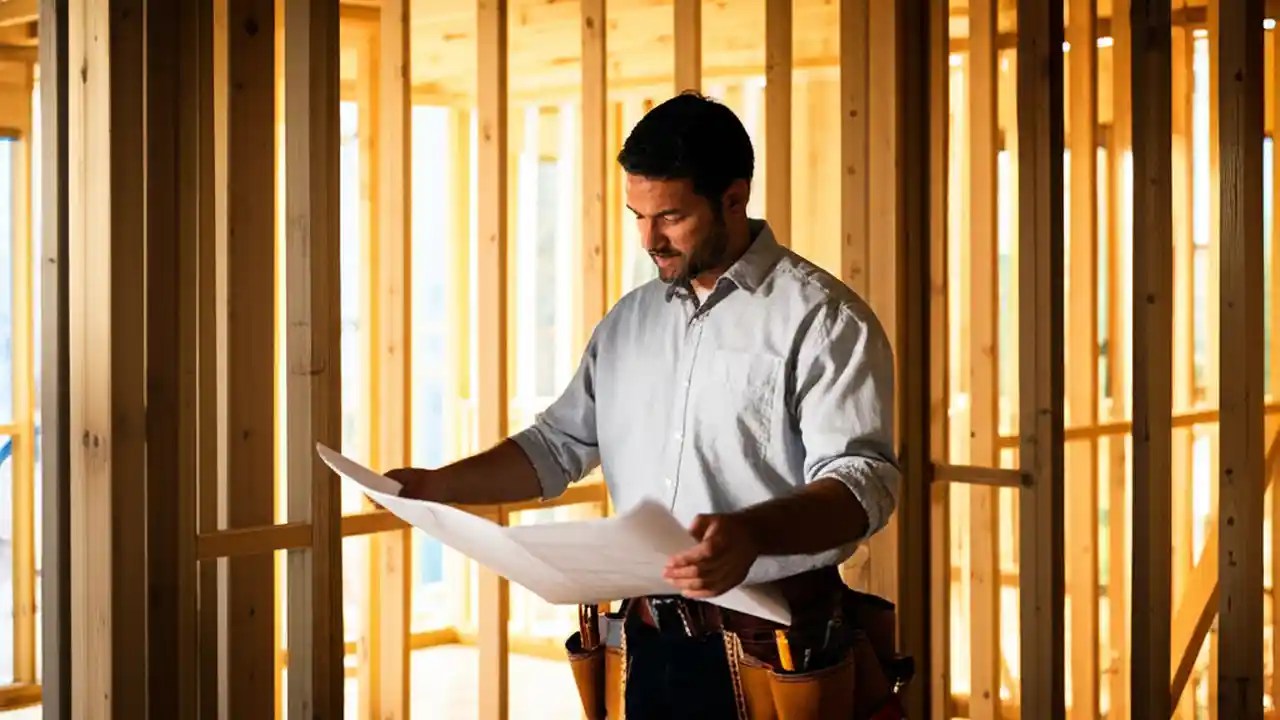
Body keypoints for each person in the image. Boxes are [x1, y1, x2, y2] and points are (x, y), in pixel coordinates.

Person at [386, 92, 901, 718]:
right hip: (644, 645)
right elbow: (556, 447)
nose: (649, 239)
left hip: (781, 652)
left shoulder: (822, 319)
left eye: (671, 217)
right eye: (637, 216)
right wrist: (438, 486)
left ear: (734, 199)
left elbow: (863, 483)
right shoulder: (629, 323)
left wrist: (751, 533)